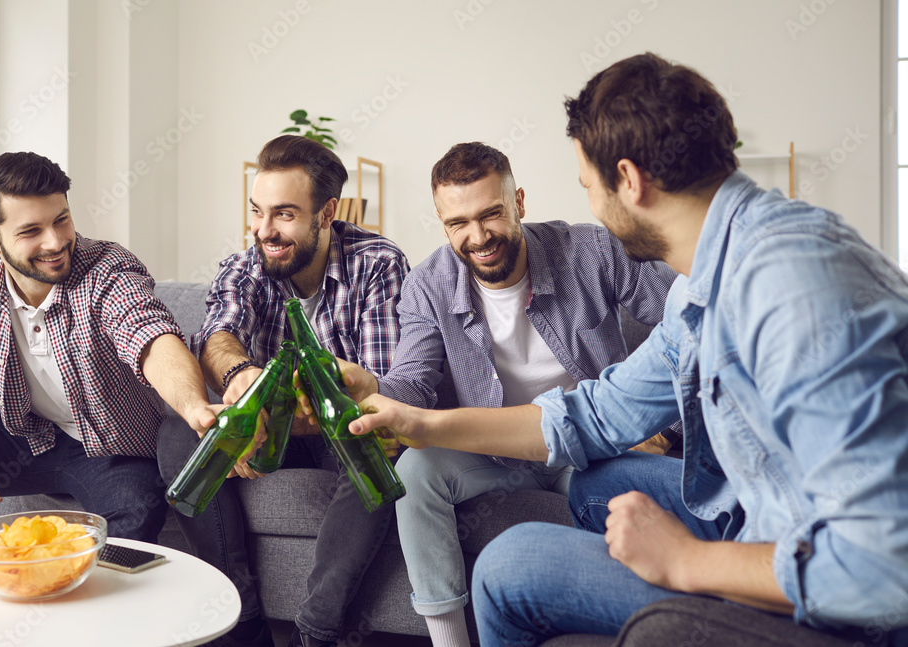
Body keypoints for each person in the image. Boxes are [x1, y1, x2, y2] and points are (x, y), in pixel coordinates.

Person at [347, 53, 908, 646]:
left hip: (845, 605)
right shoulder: (708, 279)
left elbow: (885, 563)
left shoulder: (791, 290)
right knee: (591, 489)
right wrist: (421, 424)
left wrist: (686, 561)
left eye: (589, 185)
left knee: (509, 567)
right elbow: (593, 416)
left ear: (629, 182)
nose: (589, 205)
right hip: (764, 515)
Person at [337, 141, 678, 647]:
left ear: (518, 201)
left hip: (588, 447)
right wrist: (375, 387)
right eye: (458, 224)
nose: (478, 236)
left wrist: (660, 427)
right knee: (413, 473)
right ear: (442, 222)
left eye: (491, 214)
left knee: (656, 490)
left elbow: (690, 318)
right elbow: (413, 382)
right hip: (493, 449)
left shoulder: (589, 250)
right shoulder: (427, 284)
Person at [0, 151, 219, 576]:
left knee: (133, 514)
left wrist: (194, 407)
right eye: (31, 231)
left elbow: (153, 340)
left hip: (111, 448)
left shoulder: (108, 268)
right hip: (27, 438)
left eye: (62, 220)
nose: (55, 242)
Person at [156, 135, 410, 647]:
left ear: (326, 213)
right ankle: (243, 626)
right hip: (279, 430)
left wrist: (277, 413)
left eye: (285, 215)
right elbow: (217, 335)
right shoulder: (248, 264)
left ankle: (315, 633)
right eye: (257, 211)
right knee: (181, 435)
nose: (264, 230)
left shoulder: (379, 264)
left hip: (344, 430)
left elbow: (376, 390)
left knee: (377, 454)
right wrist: (240, 378)